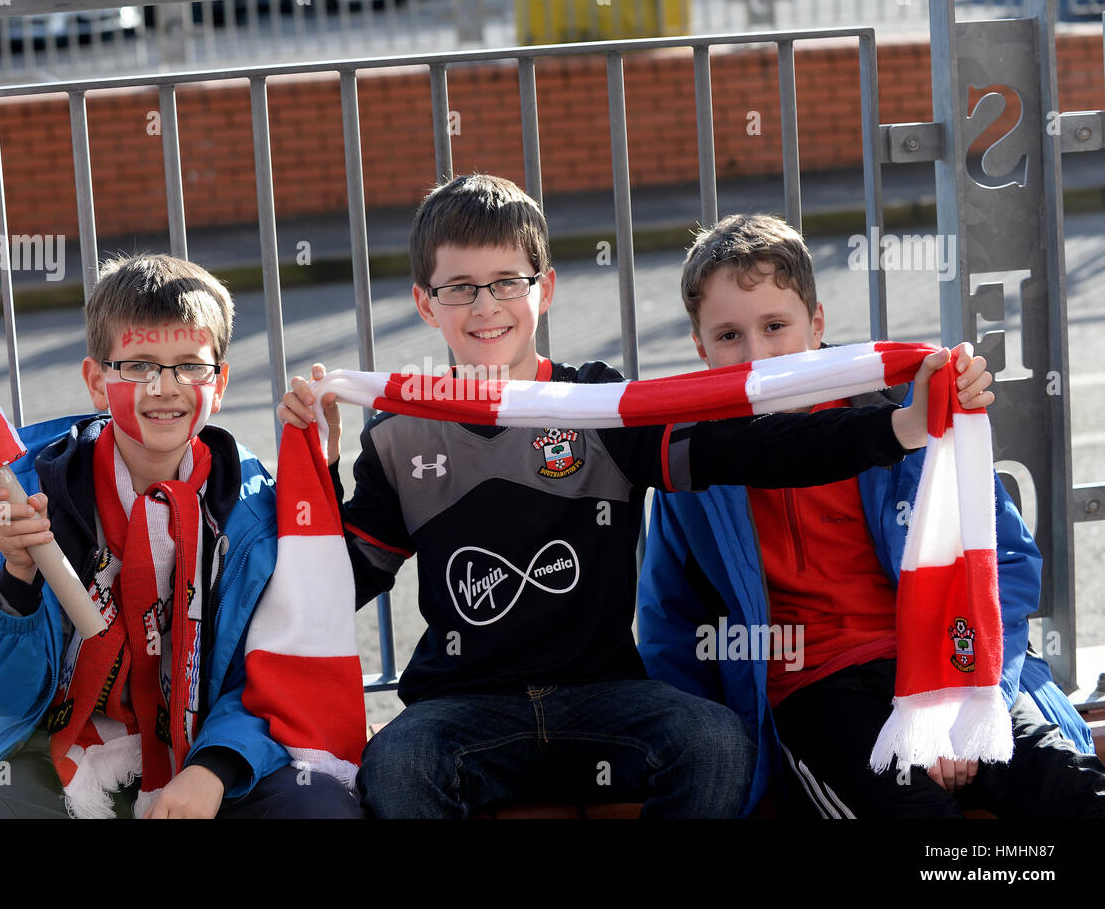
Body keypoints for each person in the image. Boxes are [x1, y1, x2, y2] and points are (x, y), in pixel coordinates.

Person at [278, 175, 993, 818]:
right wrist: (323, 467)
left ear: (545, 290)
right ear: (424, 305)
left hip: (604, 698)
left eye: (507, 281)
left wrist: (898, 424)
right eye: (459, 286)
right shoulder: (398, 431)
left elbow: (748, 448)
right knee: (398, 766)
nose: (486, 304)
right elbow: (335, 586)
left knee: (714, 744)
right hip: (462, 709)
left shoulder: (601, 402)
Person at [638, 213, 1105, 818]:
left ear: (817, 325)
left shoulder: (907, 410)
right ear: (700, 348)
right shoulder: (692, 465)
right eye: (729, 336)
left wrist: (967, 696)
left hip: (958, 666)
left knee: (1071, 789)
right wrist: (729, 756)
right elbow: (672, 629)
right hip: (816, 692)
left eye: (776, 326)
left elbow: (1005, 566)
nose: (758, 356)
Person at [0, 255, 361, 819]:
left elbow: (278, 670)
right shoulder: (35, 497)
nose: (165, 388)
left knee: (320, 811)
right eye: (137, 365)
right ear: (95, 381)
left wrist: (216, 769)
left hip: (223, 749)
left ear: (221, 382)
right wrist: (17, 582)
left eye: (189, 366)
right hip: (59, 750)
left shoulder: (256, 510)